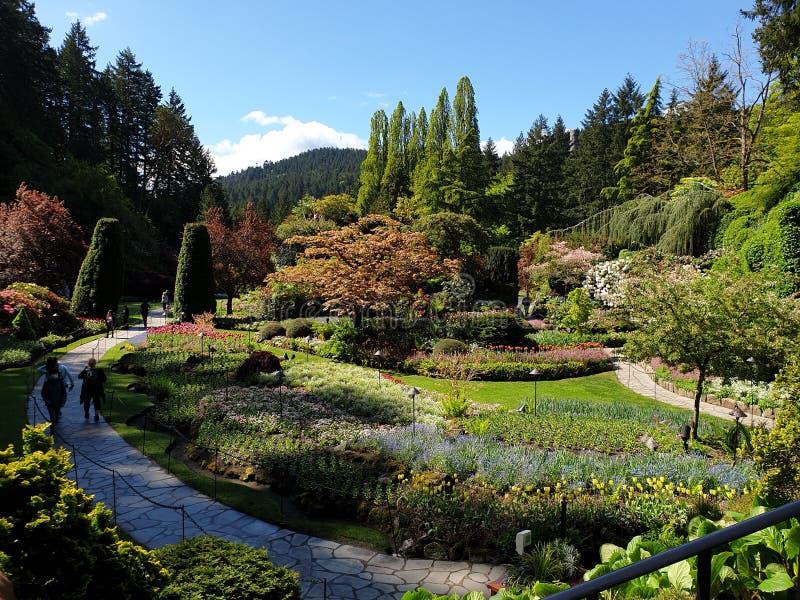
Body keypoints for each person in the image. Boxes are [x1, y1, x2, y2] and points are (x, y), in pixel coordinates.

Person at [37, 356, 74, 424]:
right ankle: (57, 411)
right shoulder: (63, 367)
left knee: (53, 398)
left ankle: (55, 414)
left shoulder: (49, 369)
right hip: (62, 385)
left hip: (51, 387)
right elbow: (69, 375)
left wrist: (46, 371)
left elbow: (39, 369)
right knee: (60, 398)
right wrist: (72, 383)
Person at [78, 358, 107, 422]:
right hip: (96, 389)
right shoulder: (99, 370)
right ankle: (96, 415)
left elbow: (79, 376)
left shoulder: (86, 370)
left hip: (87, 389)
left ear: (88, 363)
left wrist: (84, 370)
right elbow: (104, 379)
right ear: (95, 363)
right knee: (97, 402)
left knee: (86, 402)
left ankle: (87, 413)